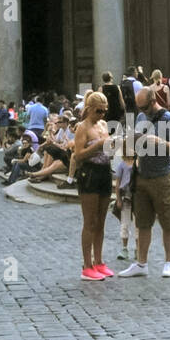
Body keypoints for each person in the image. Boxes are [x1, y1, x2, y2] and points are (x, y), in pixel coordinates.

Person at [118, 87, 170, 278]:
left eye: (144, 107)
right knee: (142, 223)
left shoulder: (168, 118)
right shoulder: (140, 118)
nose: (142, 111)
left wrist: (159, 142)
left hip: (162, 176)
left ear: (153, 100)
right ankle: (141, 263)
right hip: (142, 175)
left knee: (167, 221)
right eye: (139, 108)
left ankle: (169, 262)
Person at [70, 91, 113, 279]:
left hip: (104, 171)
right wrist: (98, 145)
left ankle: (99, 261)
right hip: (90, 173)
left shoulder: (103, 124)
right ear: (89, 109)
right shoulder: (82, 127)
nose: (102, 115)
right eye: (98, 111)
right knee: (90, 221)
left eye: (104, 111)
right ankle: (87, 265)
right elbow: (78, 155)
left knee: (101, 222)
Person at [113, 151, 134, 260]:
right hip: (125, 196)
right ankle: (124, 248)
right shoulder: (122, 164)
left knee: (139, 224)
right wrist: (118, 199)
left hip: (137, 196)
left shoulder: (138, 163)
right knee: (125, 223)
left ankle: (138, 249)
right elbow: (117, 183)